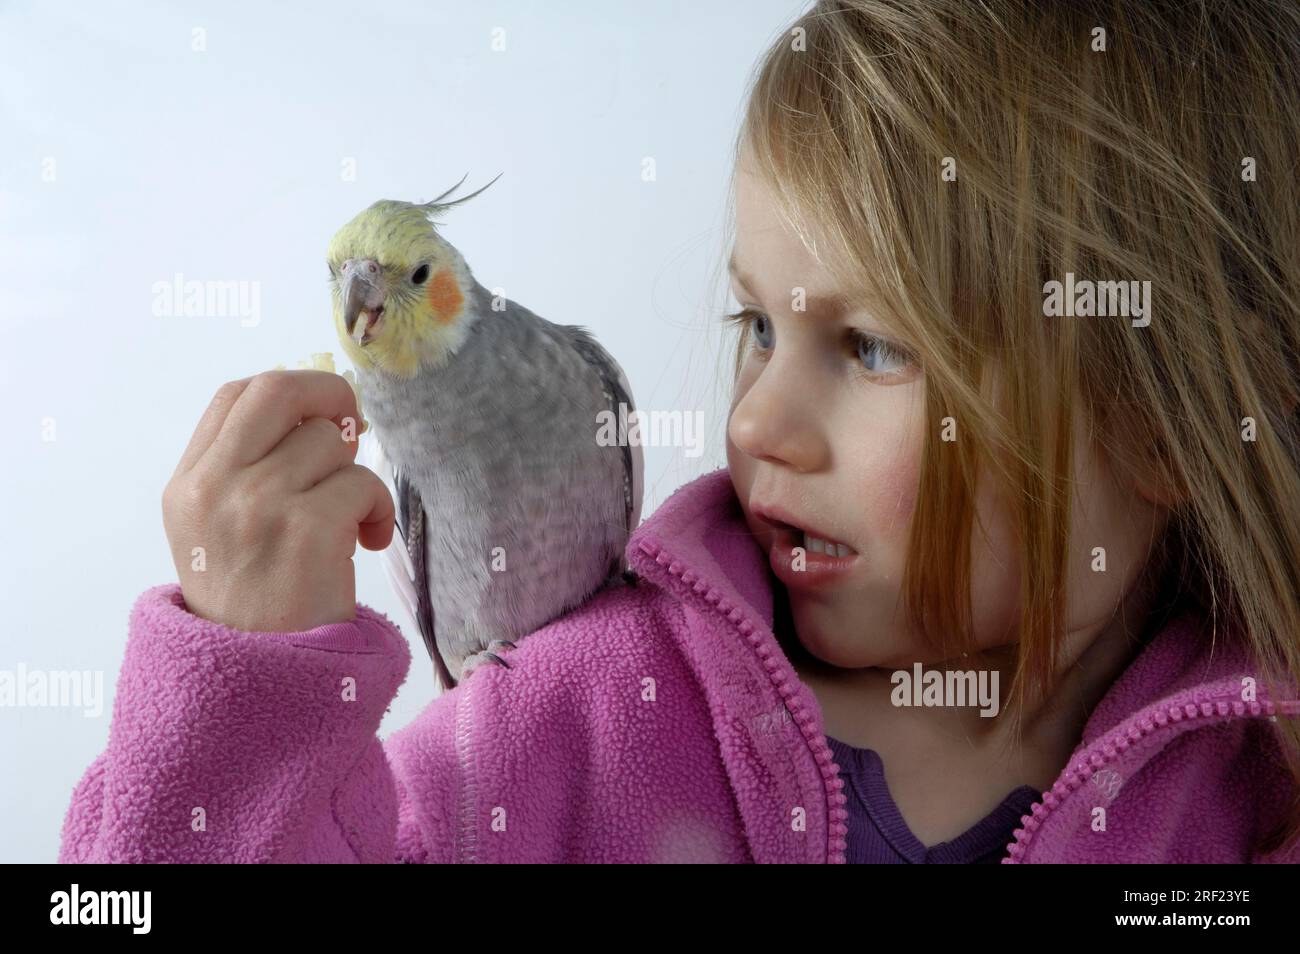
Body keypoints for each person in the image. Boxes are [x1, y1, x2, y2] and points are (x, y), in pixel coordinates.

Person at [59, 0, 1300, 863]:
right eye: (754, 326)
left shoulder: (1259, 787)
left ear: (1159, 428)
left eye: (870, 347)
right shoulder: (568, 719)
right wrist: (240, 697)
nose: (754, 418)